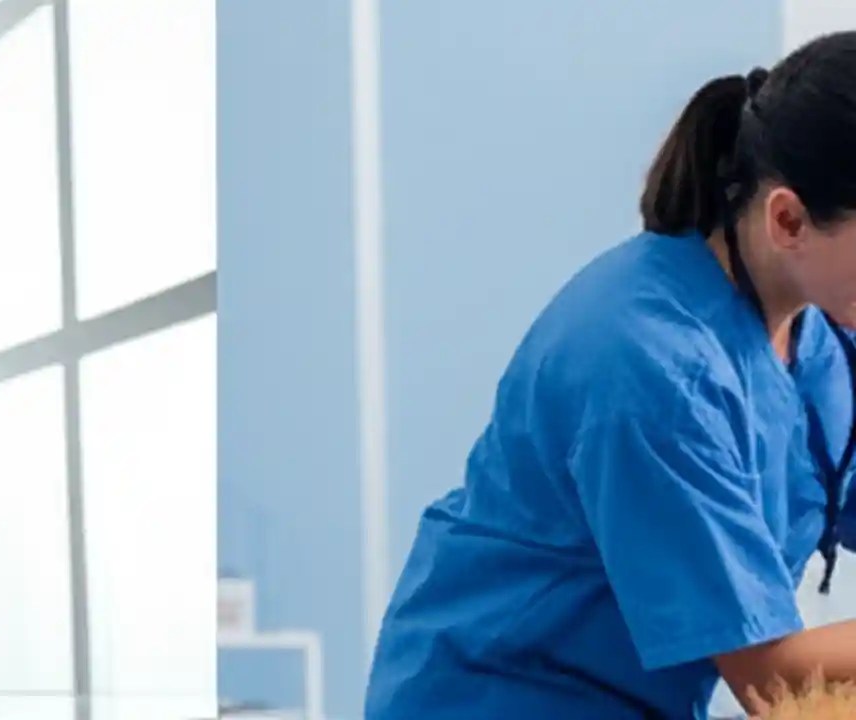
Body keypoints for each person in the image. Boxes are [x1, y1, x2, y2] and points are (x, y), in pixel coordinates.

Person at [366, 31, 856, 719]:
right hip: (499, 697)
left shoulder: (820, 330)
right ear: (788, 219)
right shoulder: (652, 365)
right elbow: (772, 677)